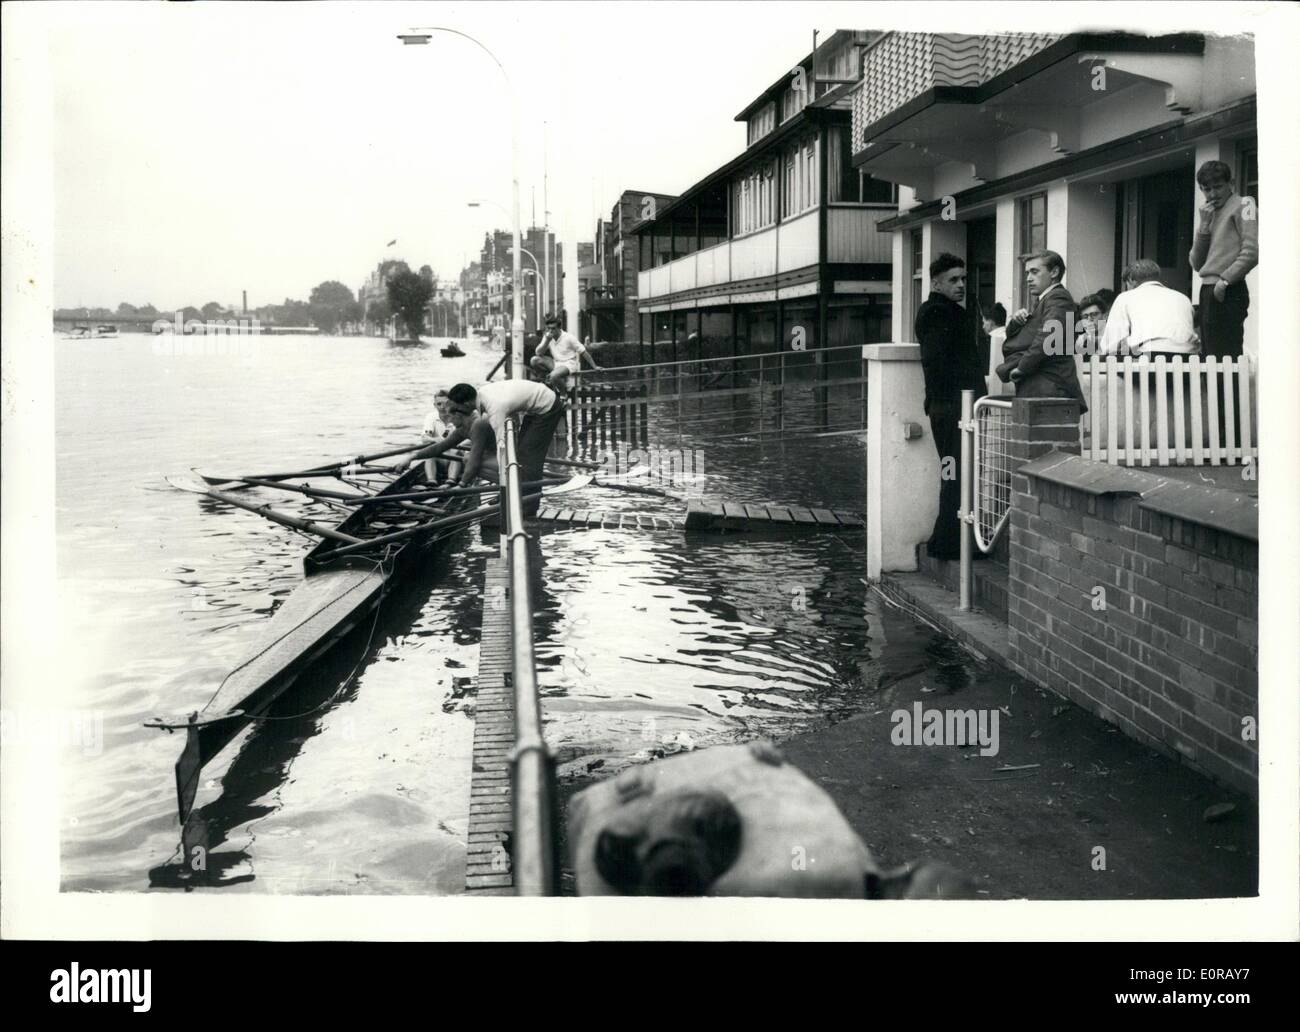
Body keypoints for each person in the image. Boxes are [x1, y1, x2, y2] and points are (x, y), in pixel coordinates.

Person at [915, 252, 987, 561]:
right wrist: (959, 400)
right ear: (936, 283)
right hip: (951, 407)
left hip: (952, 406)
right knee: (956, 472)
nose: (960, 285)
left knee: (958, 472)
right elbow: (938, 362)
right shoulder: (938, 313)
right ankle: (947, 542)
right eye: (953, 280)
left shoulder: (944, 311)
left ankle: (951, 540)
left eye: (963, 279)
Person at [412, 379, 565, 516]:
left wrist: (504, 480)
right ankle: (514, 494)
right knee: (522, 458)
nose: (455, 412)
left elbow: (502, 445)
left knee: (529, 461)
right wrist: (412, 456)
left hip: (548, 407)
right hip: (536, 405)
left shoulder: (495, 408)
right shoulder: (482, 395)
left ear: (466, 404)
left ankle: (527, 508)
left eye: (457, 408)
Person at [1100, 259, 1201, 450]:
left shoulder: (1126, 298)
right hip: (1186, 370)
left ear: (1131, 279)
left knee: (1110, 355)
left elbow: (1111, 343)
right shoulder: (1182, 298)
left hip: (1150, 368)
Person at [996, 250, 1086, 412]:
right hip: (1043, 384)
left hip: (1048, 385)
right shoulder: (1046, 299)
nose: (1028, 278)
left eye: (1034, 272)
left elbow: (1048, 337)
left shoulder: (1058, 297)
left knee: (1045, 436)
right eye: (1027, 273)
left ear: (1054, 272)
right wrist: (1016, 324)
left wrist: (1022, 368)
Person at [1190, 159, 1257, 359]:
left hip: (1228, 288)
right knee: (1210, 356)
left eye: (1218, 187)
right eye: (1206, 189)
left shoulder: (1245, 203)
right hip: (1207, 289)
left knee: (1225, 356)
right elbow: (1196, 263)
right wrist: (1203, 226)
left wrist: (1226, 280)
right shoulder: (1208, 213)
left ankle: (1231, 393)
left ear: (1232, 183)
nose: (1212, 194)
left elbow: (1252, 251)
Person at [531, 314, 600, 391]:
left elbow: (583, 352)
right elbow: (538, 353)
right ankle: (548, 383)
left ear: (559, 328)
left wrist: (595, 366)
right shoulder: (548, 337)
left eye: (553, 328)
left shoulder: (569, 337)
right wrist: (547, 341)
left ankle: (563, 394)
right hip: (556, 362)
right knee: (534, 360)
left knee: (554, 375)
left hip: (569, 364)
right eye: (548, 328)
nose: (550, 331)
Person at [982, 302, 1008, 396]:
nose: (983, 326)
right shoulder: (1013, 336)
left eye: (984, 322)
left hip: (991, 390)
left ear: (991, 322)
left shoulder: (988, 341)